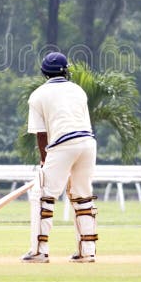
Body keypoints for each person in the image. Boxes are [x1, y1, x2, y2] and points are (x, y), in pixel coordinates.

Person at [22, 51, 98, 264]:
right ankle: (87, 252)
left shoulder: (37, 95)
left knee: (43, 195)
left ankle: (39, 251)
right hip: (88, 143)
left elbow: (41, 134)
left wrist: (44, 161)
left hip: (62, 144)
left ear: (44, 72)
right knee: (82, 197)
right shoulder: (78, 90)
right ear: (66, 71)